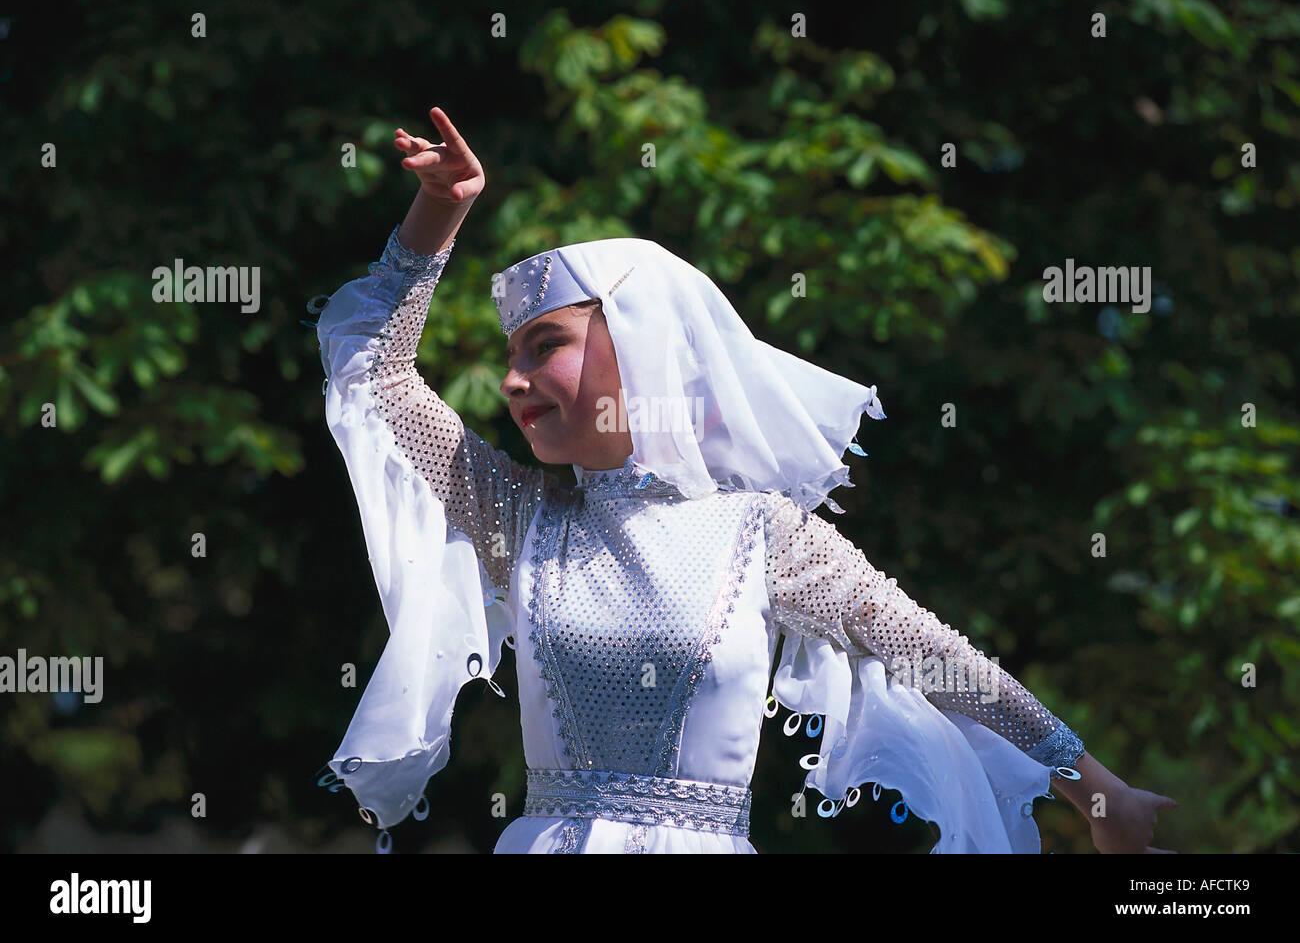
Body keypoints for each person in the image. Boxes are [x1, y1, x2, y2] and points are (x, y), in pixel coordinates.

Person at [314, 106, 1176, 854]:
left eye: (546, 346)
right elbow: (378, 372)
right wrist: (439, 210)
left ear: (639, 341)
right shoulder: (520, 518)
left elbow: (934, 656)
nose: (511, 381)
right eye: (511, 357)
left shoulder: (761, 532)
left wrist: (1099, 790)